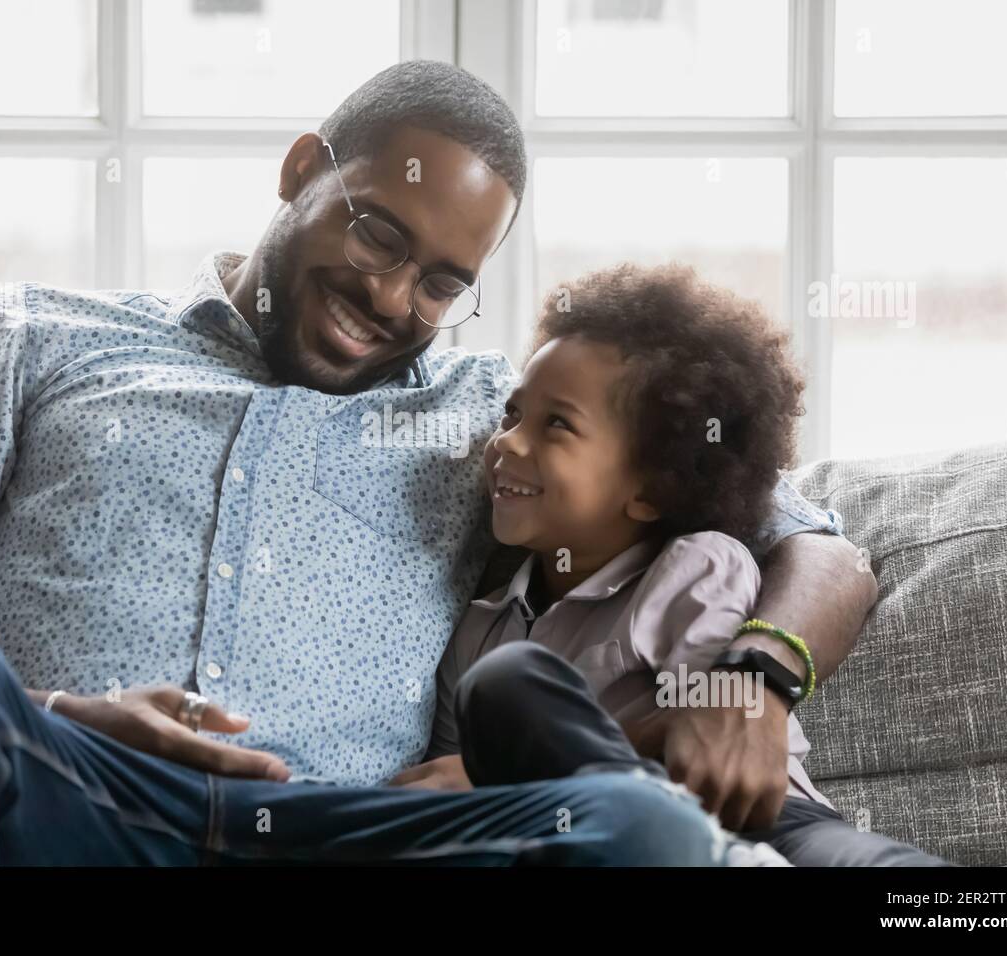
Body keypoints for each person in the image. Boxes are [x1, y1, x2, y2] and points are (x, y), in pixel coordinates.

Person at [0, 61, 874, 865]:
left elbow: (820, 548)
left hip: (347, 834)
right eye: (377, 236)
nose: (395, 298)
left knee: (638, 825)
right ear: (303, 169)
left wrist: (758, 674)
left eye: (443, 283)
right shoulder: (36, 336)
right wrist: (59, 708)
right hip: (57, 787)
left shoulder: (493, 421)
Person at [394, 264, 951, 866]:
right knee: (505, 683)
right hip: (598, 844)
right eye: (512, 414)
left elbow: (708, 729)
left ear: (651, 491)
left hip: (763, 821)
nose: (507, 442)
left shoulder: (696, 568)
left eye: (557, 424)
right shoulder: (481, 632)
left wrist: (502, 781)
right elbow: (442, 782)